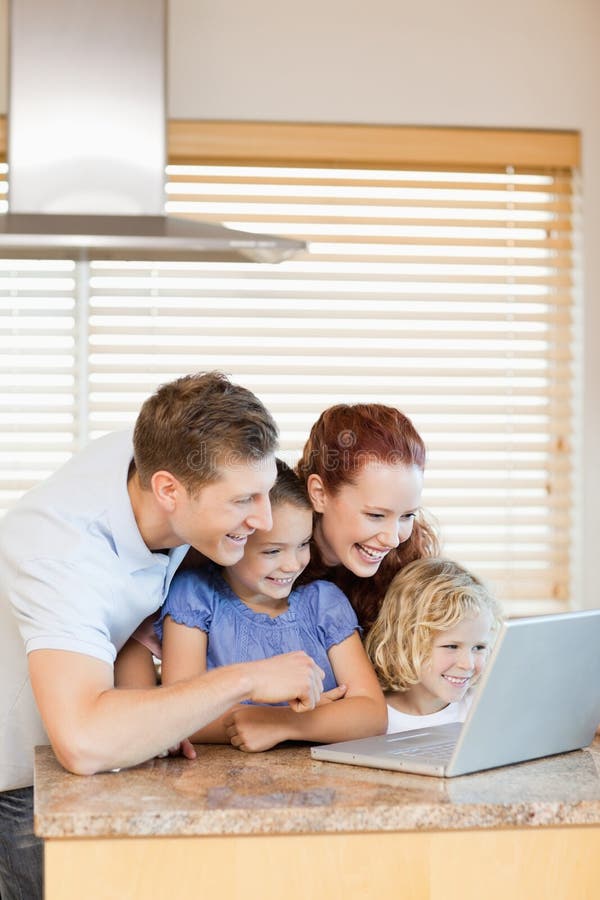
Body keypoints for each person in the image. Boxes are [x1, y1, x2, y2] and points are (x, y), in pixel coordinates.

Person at [0, 372, 325, 900]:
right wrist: (246, 677)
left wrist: (153, 714)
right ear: (169, 490)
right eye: (244, 500)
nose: (262, 518)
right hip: (18, 778)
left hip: (93, 748)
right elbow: (83, 742)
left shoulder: (163, 455)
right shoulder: (59, 555)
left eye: (264, 492)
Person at [117, 460, 387, 752]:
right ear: (233, 540)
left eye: (303, 543)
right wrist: (323, 719)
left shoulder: (324, 603)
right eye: (272, 550)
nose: (293, 564)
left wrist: (280, 723)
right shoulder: (196, 596)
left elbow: (371, 716)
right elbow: (181, 715)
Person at [296, 403, 440, 633]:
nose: (393, 540)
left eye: (407, 515)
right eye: (375, 515)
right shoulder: (265, 565)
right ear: (320, 494)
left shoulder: (405, 562)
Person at [364, 558, 502, 732]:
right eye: (451, 646)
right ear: (406, 642)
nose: (468, 664)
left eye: (479, 647)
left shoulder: (484, 710)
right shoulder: (374, 721)